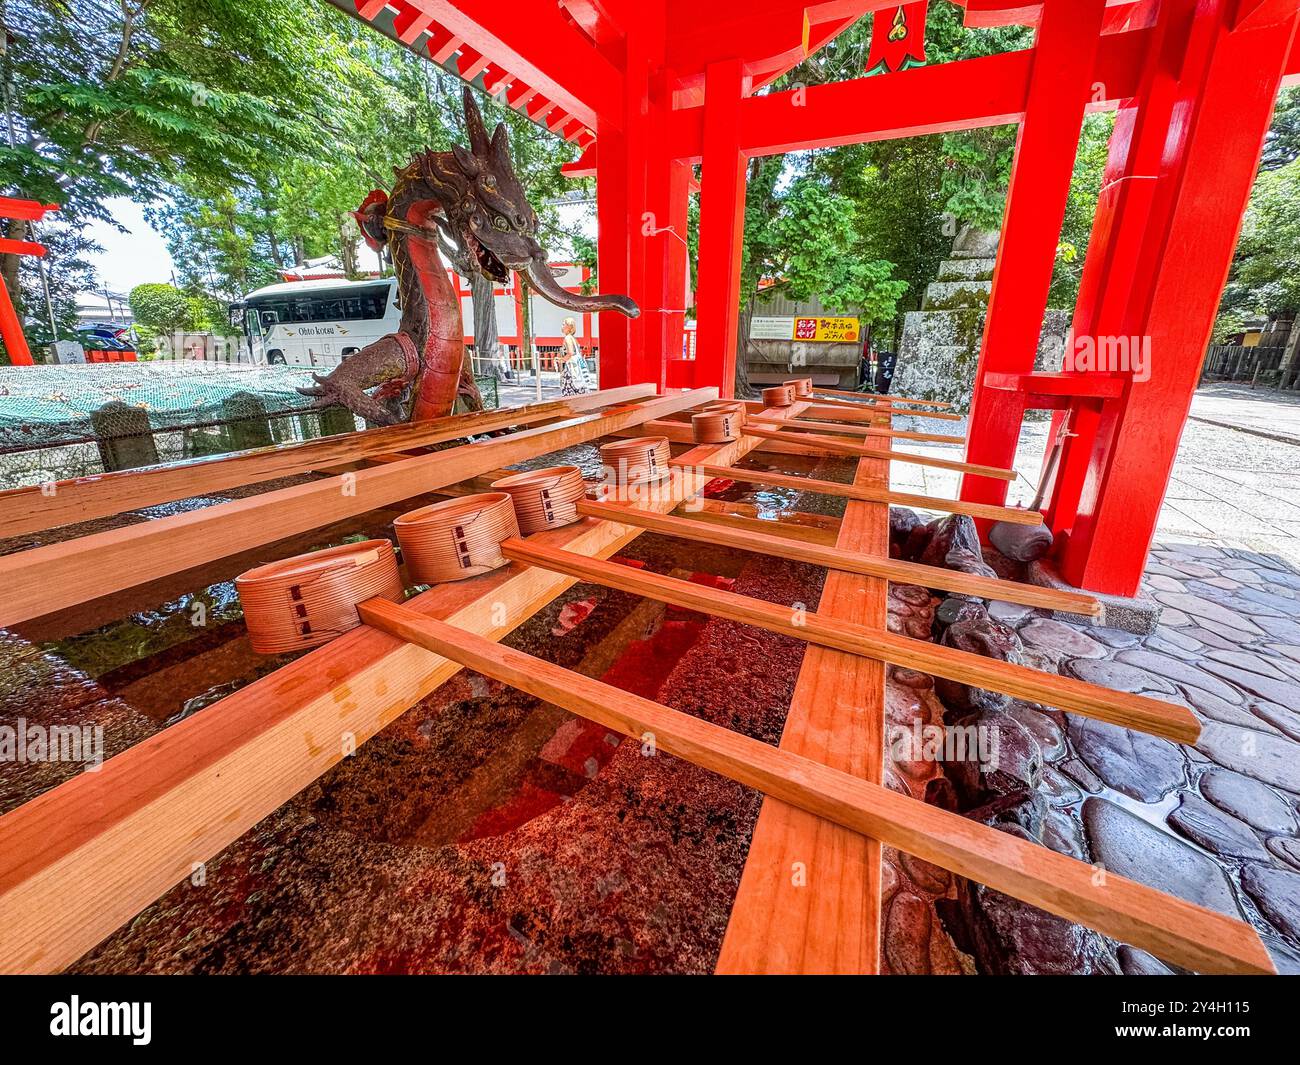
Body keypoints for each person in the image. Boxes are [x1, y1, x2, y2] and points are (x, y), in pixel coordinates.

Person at [559, 317, 590, 395]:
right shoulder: (573, 338)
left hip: (571, 370)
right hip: (577, 370)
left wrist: (562, 359)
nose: (562, 326)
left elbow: (571, 353)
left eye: (564, 324)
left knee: (568, 394)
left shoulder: (567, 338)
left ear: (569, 327)